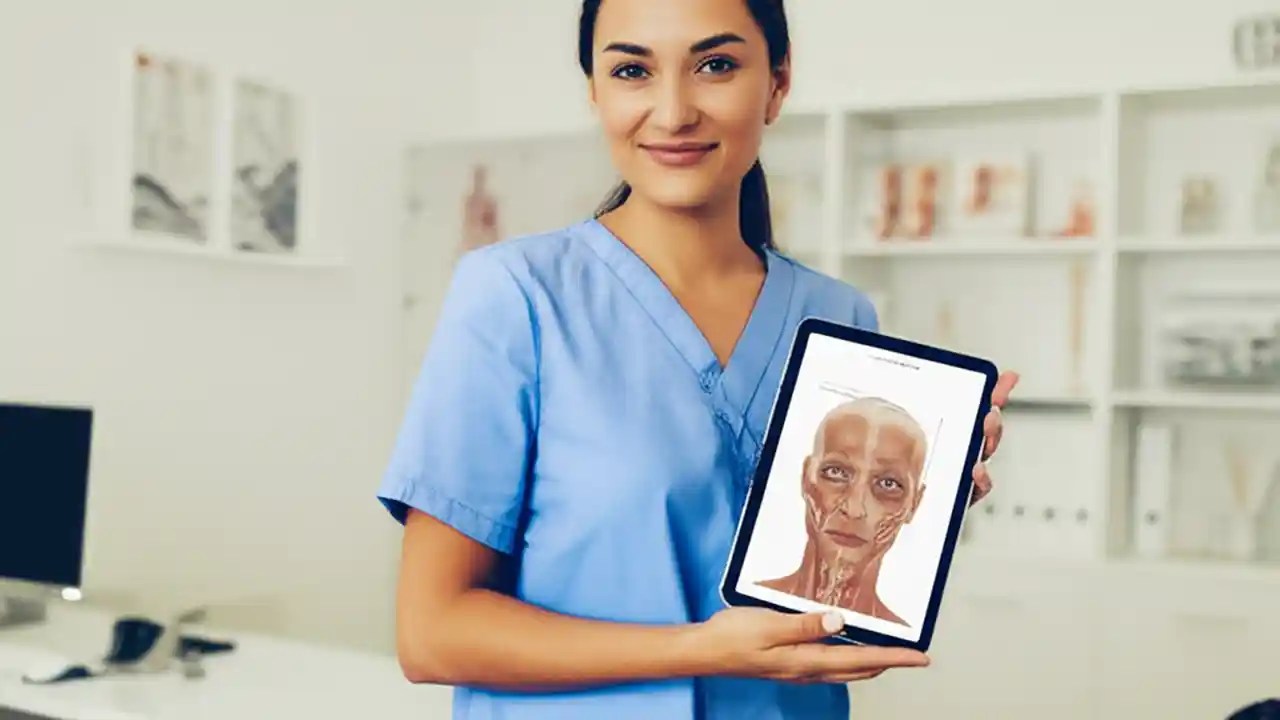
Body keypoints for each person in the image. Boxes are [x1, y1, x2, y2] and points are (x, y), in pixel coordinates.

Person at [377, 0, 1020, 718]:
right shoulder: (515, 296)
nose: (674, 111)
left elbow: (821, 613)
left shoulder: (842, 317)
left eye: (716, 65)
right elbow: (432, 635)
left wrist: (918, 504)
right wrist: (703, 650)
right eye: (631, 70)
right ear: (595, 91)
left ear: (776, 85)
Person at [758, 398, 929, 626]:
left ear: (913, 504)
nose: (855, 509)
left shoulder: (898, 642)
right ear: (806, 478)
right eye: (836, 472)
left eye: (888, 484)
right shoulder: (746, 610)